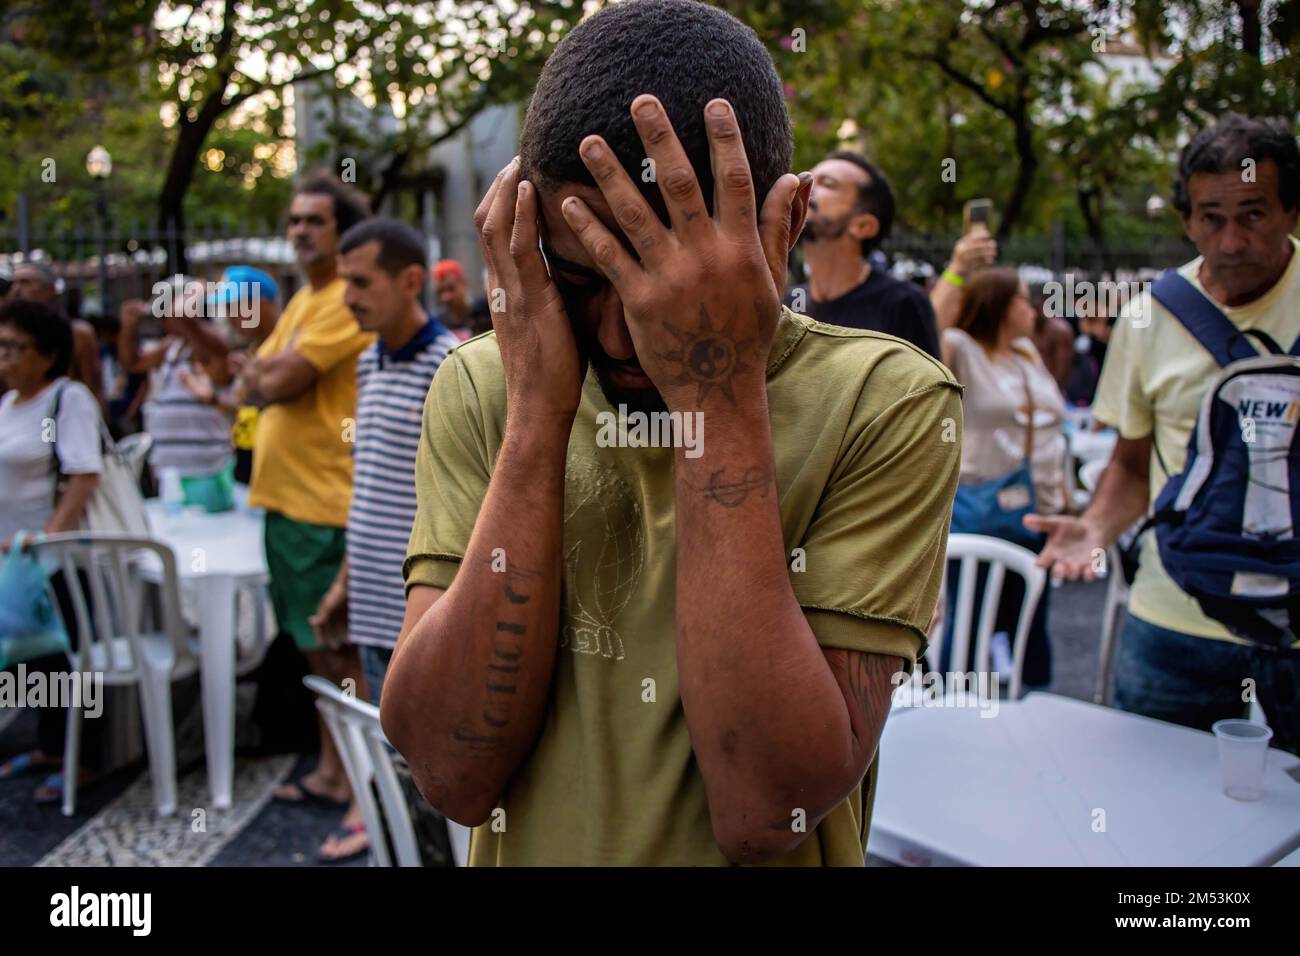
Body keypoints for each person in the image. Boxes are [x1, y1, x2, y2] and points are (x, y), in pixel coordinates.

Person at [382, 0, 962, 867]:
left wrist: (715, 395)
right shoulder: (483, 384)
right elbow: (451, 772)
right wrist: (538, 418)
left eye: (667, 279)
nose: (621, 337)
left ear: (787, 224)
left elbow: (768, 811)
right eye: (581, 277)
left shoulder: (886, 403)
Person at [1027, 113, 1300, 754]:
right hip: (1175, 618)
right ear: (1186, 221)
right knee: (1149, 812)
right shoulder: (1148, 318)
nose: (1230, 240)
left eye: (1253, 214)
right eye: (1210, 218)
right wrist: (1095, 528)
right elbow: (1130, 466)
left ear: (1292, 210)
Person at [304, 218, 461, 864]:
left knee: (429, 762)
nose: (348, 298)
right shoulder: (368, 362)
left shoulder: (450, 366)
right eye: (344, 283)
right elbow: (368, 481)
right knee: (388, 746)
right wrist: (345, 581)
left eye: (361, 283)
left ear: (411, 281)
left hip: (421, 606)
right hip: (369, 597)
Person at [239, 172, 375, 808]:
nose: (298, 231)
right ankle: (332, 771)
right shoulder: (302, 301)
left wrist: (264, 372)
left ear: (342, 232)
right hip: (287, 506)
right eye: (293, 220)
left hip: (322, 506)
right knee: (314, 654)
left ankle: (366, 789)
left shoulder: (345, 298)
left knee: (337, 654)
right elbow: (250, 380)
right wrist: (262, 373)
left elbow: (277, 379)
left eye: (312, 221)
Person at [940, 268, 1068, 687]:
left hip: (1039, 505)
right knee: (971, 617)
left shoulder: (1025, 353)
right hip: (980, 505)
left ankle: (1033, 703)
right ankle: (955, 700)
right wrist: (959, 270)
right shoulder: (960, 347)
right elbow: (924, 331)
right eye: (1022, 300)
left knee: (1030, 619)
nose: (1032, 310)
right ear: (996, 303)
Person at [0, 298, 105, 802]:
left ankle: (82, 759)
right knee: (30, 656)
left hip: (53, 557)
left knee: (66, 655)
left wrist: (49, 536)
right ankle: (46, 746)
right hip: (14, 559)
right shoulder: (8, 404)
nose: (4, 357)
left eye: (15, 347)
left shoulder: (68, 399)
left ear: (46, 353)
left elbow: (85, 472)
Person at [785, 151, 941, 358]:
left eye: (827, 184)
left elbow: (926, 388)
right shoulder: (790, 302)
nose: (804, 188)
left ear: (863, 226)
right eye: (806, 178)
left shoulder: (903, 304)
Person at [116, 276, 234, 493]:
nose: (161, 319)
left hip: (208, 470)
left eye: (165, 310)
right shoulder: (172, 347)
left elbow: (183, 315)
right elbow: (133, 363)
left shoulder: (212, 346)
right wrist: (129, 326)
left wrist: (198, 288)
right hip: (169, 470)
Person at [177, 266, 282, 484]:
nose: (230, 317)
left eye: (235, 308)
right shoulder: (255, 351)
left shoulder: (287, 349)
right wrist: (213, 399)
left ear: (260, 304)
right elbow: (247, 412)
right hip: (251, 471)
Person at [5, 262, 103, 409]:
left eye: (25, 282)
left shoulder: (78, 333)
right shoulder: (5, 336)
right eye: (13, 283)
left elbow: (93, 386)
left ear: (50, 290)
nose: (16, 290)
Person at [431, 259, 491, 340]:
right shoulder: (439, 323)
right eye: (440, 292)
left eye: (451, 288)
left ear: (464, 283)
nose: (445, 297)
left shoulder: (485, 311)